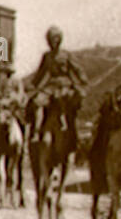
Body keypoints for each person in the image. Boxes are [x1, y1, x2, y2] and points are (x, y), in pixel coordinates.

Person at [25, 25, 89, 153]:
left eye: (56, 39)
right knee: (37, 101)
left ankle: (65, 123)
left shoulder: (66, 55)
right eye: (51, 39)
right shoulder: (47, 56)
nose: (53, 42)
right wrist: (33, 84)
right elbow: (40, 73)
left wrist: (82, 79)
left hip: (65, 84)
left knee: (63, 100)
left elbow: (77, 68)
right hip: (50, 85)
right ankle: (37, 131)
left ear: (60, 39)